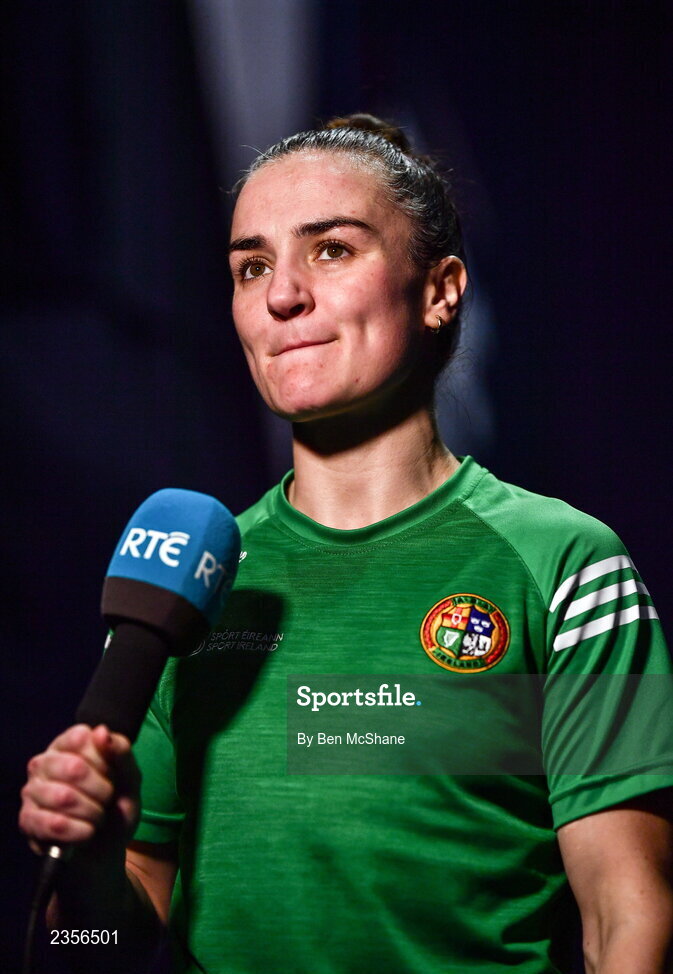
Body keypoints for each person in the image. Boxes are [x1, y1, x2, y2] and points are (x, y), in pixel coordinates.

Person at [19, 114, 673, 974]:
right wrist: (92, 869)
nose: (282, 295)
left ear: (439, 290)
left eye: (331, 250)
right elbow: (92, 946)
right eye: (252, 266)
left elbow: (624, 918)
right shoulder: (185, 582)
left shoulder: (565, 566)